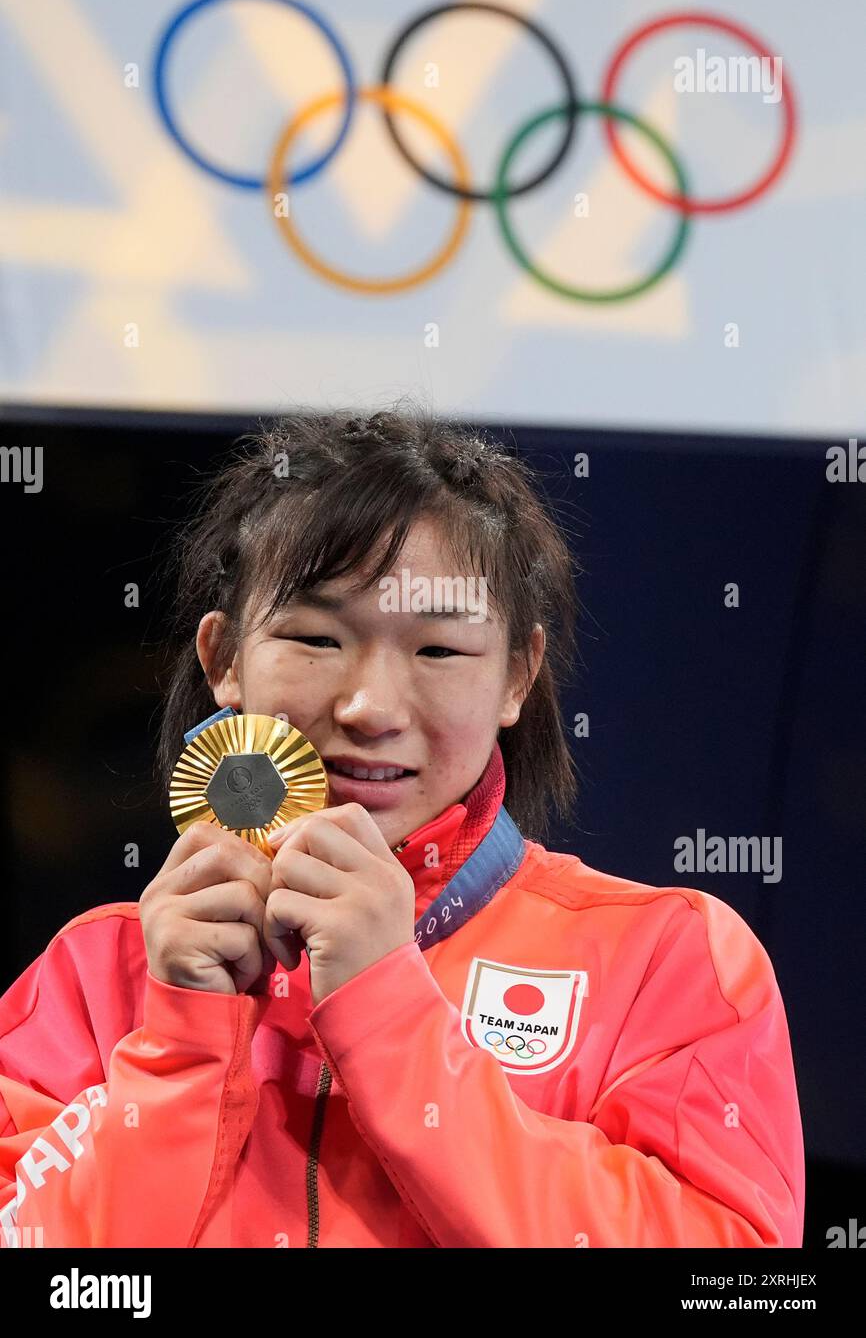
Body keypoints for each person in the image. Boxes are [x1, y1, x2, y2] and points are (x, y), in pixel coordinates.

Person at [0, 404, 804, 1248]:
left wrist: (387, 1010)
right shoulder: (96, 979)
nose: (369, 707)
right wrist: (182, 1046)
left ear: (516, 679)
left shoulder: (667, 961)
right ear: (223, 660)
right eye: (314, 637)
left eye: (438, 651)